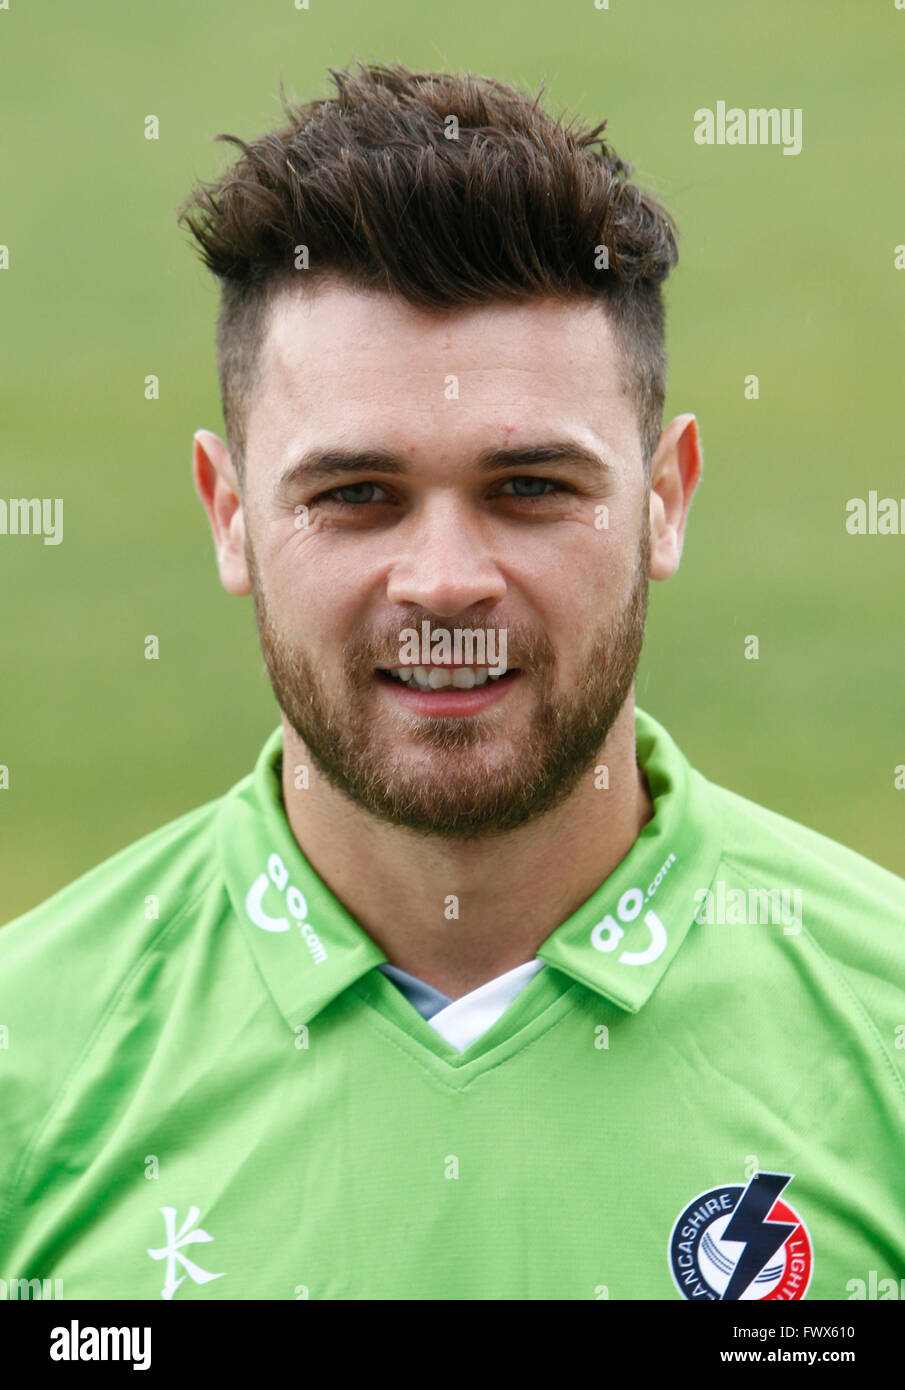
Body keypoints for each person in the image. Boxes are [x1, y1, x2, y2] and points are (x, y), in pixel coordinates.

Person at [1, 63, 903, 1303]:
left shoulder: (884, 1029)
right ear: (228, 514)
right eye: (353, 495)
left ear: (663, 501)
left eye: (529, 487)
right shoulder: (26, 1061)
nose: (442, 581)